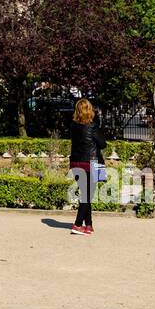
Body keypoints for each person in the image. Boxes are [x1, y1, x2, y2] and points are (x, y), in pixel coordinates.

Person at [68, 98, 105, 236]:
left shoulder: (73, 126)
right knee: (88, 195)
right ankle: (78, 224)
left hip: (76, 162)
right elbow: (103, 144)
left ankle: (88, 224)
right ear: (90, 110)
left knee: (86, 194)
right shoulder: (93, 126)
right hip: (93, 163)